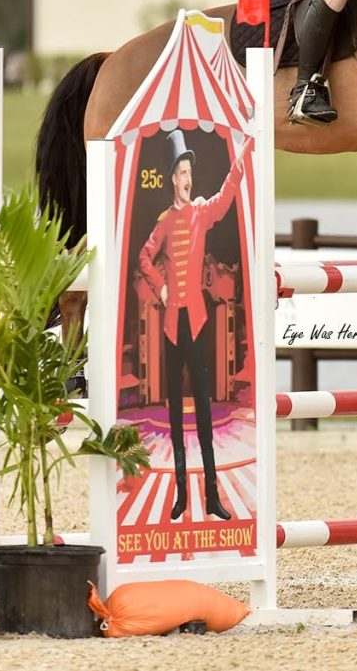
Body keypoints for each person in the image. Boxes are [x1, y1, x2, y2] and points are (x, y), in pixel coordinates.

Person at [137, 129, 253, 521]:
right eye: (182, 172)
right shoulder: (165, 221)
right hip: (173, 326)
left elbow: (225, 197)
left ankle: (213, 496)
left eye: (190, 172)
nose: (187, 179)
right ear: (173, 178)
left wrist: (241, 162)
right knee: (175, 416)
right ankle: (182, 496)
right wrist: (161, 286)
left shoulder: (202, 211)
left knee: (203, 412)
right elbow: (145, 257)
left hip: (197, 322)